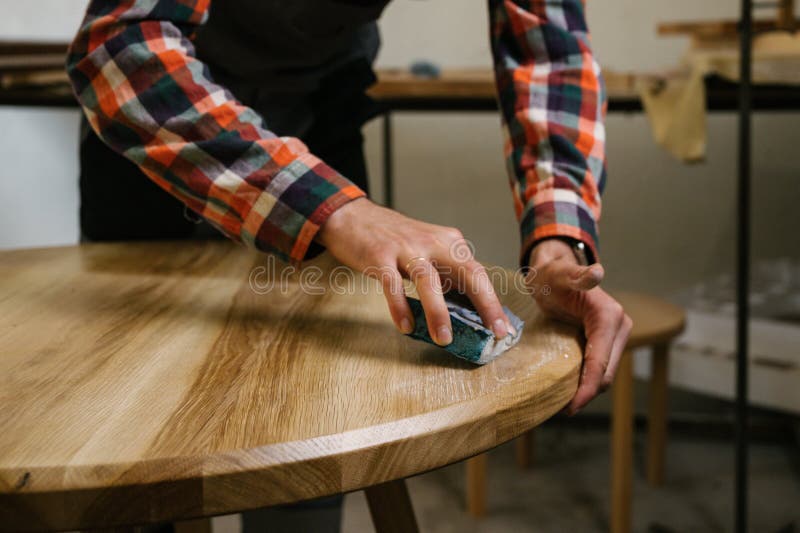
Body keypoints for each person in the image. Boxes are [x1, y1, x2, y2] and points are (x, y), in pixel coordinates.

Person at [67, 1, 631, 529]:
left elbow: (549, 56)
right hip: (164, 130)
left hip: (322, 115)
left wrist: (558, 246)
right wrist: (333, 210)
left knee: (310, 429)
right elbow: (121, 47)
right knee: (138, 452)